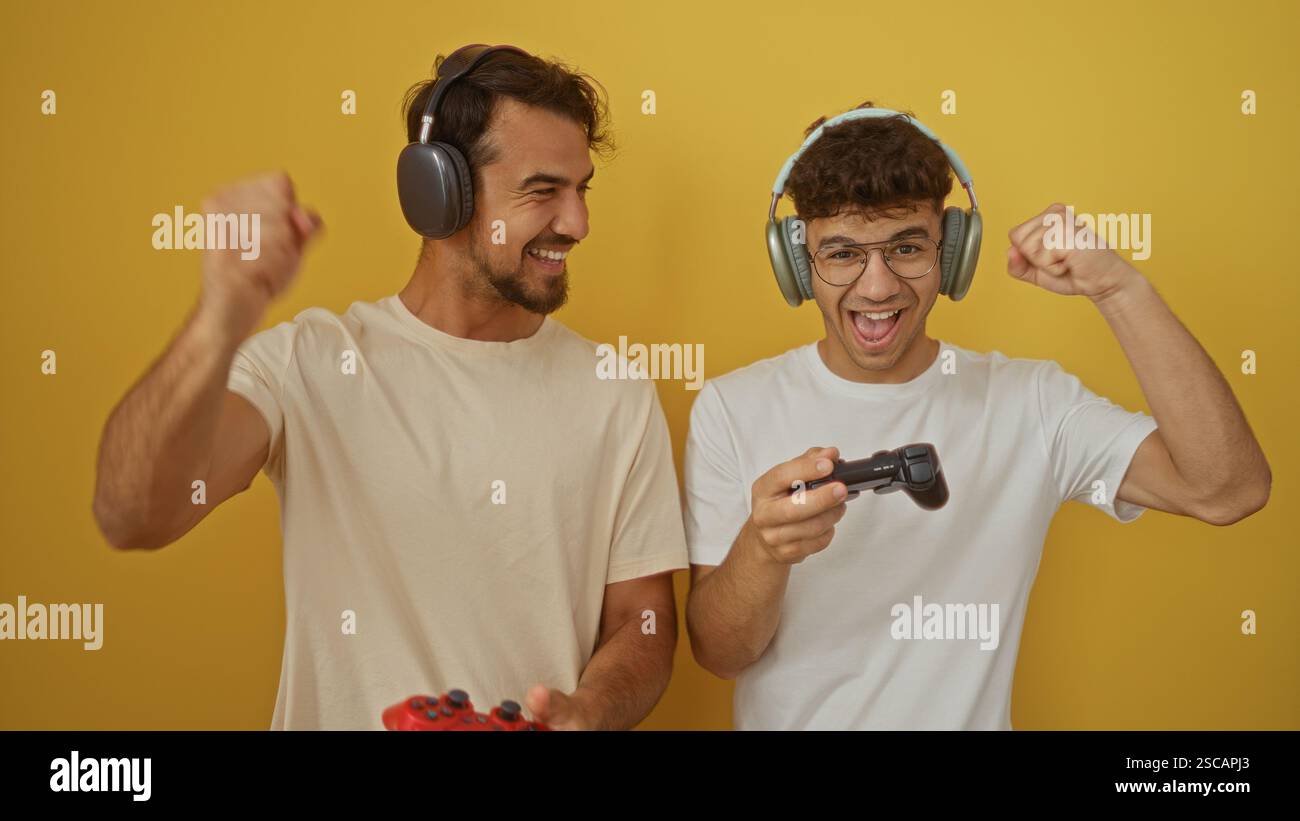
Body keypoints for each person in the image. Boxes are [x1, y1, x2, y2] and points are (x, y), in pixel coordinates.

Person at [92, 44, 688, 730]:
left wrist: (590, 709)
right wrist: (218, 316)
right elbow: (131, 511)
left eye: (582, 189)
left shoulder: (615, 391)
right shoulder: (308, 366)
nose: (577, 223)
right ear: (441, 194)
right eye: (543, 190)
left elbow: (642, 622)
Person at [683, 102, 1271, 730]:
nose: (877, 287)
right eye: (843, 253)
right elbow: (721, 655)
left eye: (908, 248)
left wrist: (1118, 289)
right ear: (798, 264)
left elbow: (1227, 490)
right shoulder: (730, 406)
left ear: (954, 251)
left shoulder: (1032, 404)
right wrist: (763, 552)